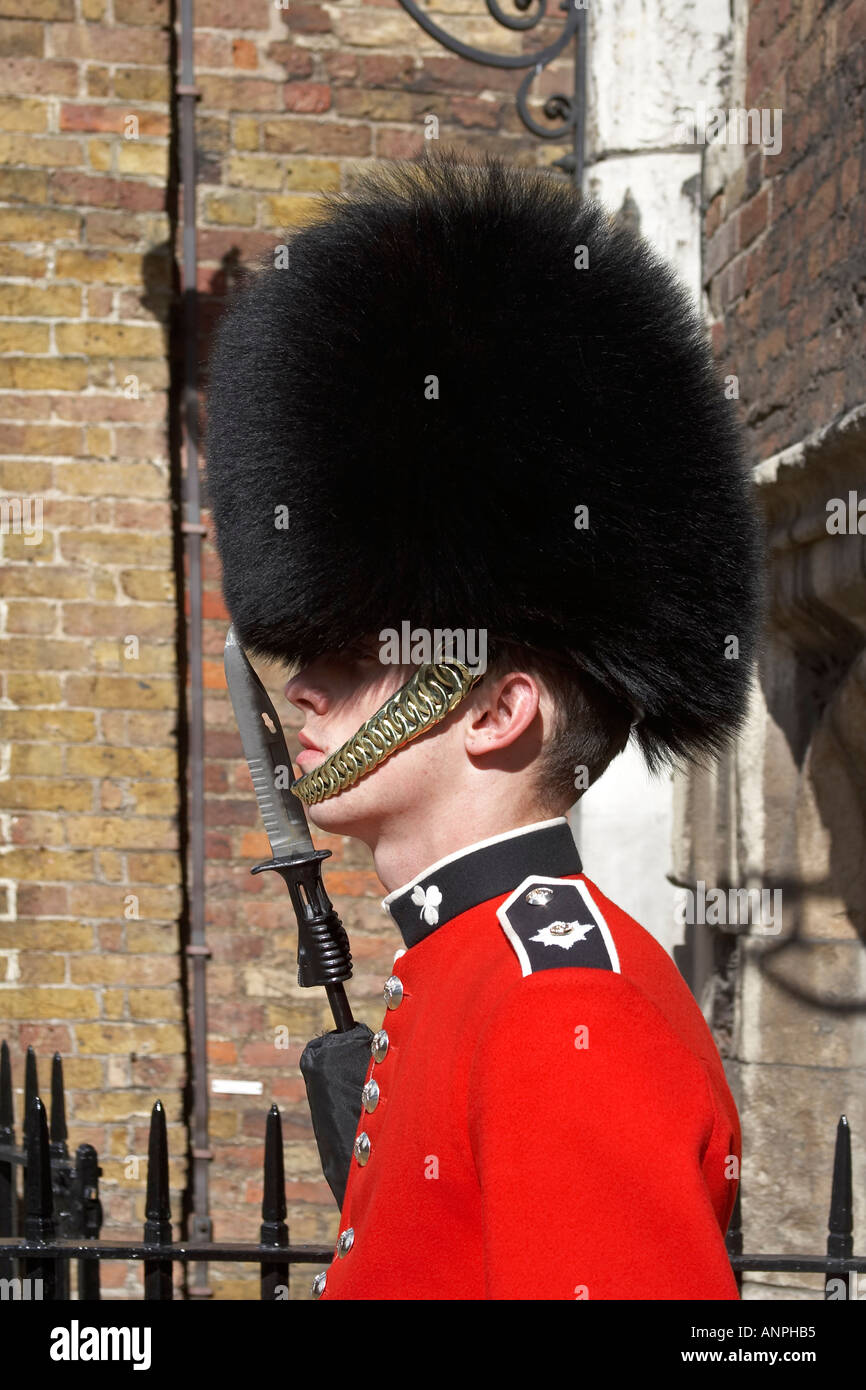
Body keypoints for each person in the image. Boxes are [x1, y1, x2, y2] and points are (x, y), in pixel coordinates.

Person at [205, 150, 762, 1300]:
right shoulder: (460, 971)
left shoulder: (559, 1002)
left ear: (496, 710)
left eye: (356, 659)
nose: (302, 689)